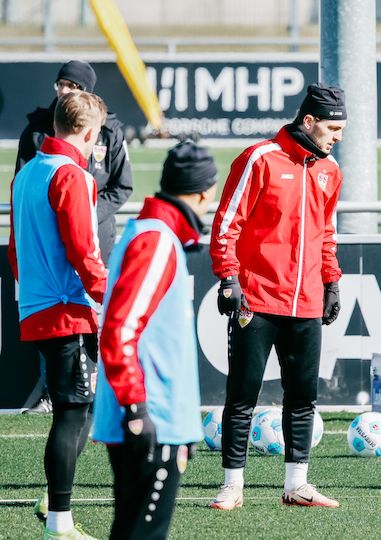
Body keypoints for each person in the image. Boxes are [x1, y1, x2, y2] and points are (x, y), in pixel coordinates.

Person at [208, 83, 344, 511]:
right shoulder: (259, 158)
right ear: (309, 122)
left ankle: (296, 485)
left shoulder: (330, 171)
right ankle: (233, 485)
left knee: (302, 396)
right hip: (256, 298)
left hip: (305, 301)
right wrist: (228, 277)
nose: (337, 136)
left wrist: (331, 281)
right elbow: (226, 221)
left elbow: (326, 234)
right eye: (332, 127)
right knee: (242, 394)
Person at [90, 140, 218, 540]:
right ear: (202, 192)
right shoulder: (157, 241)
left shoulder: (154, 234)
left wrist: (183, 428)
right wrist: (137, 409)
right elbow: (120, 330)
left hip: (159, 420)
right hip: (150, 420)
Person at [9, 91, 109, 540]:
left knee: (77, 408)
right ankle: (58, 521)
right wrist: (106, 297)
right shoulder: (72, 175)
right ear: (89, 133)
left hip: (39, 303)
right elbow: (85, 250)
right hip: (67, 306)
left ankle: (54, 501)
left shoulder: (28, 171)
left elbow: (15, 250)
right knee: (73, 410)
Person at [18, 60, 133, 415]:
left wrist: (87, 210)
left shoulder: (110, 129)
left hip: (98, 236)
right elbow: (27, 188)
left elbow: (122, 185)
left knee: (90, 333)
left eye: (73, 85)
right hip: (60, 265)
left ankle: (99, 389)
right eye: (61, 84)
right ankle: (53, 392)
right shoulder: (38, 130)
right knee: (67, 344)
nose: (64, 90)